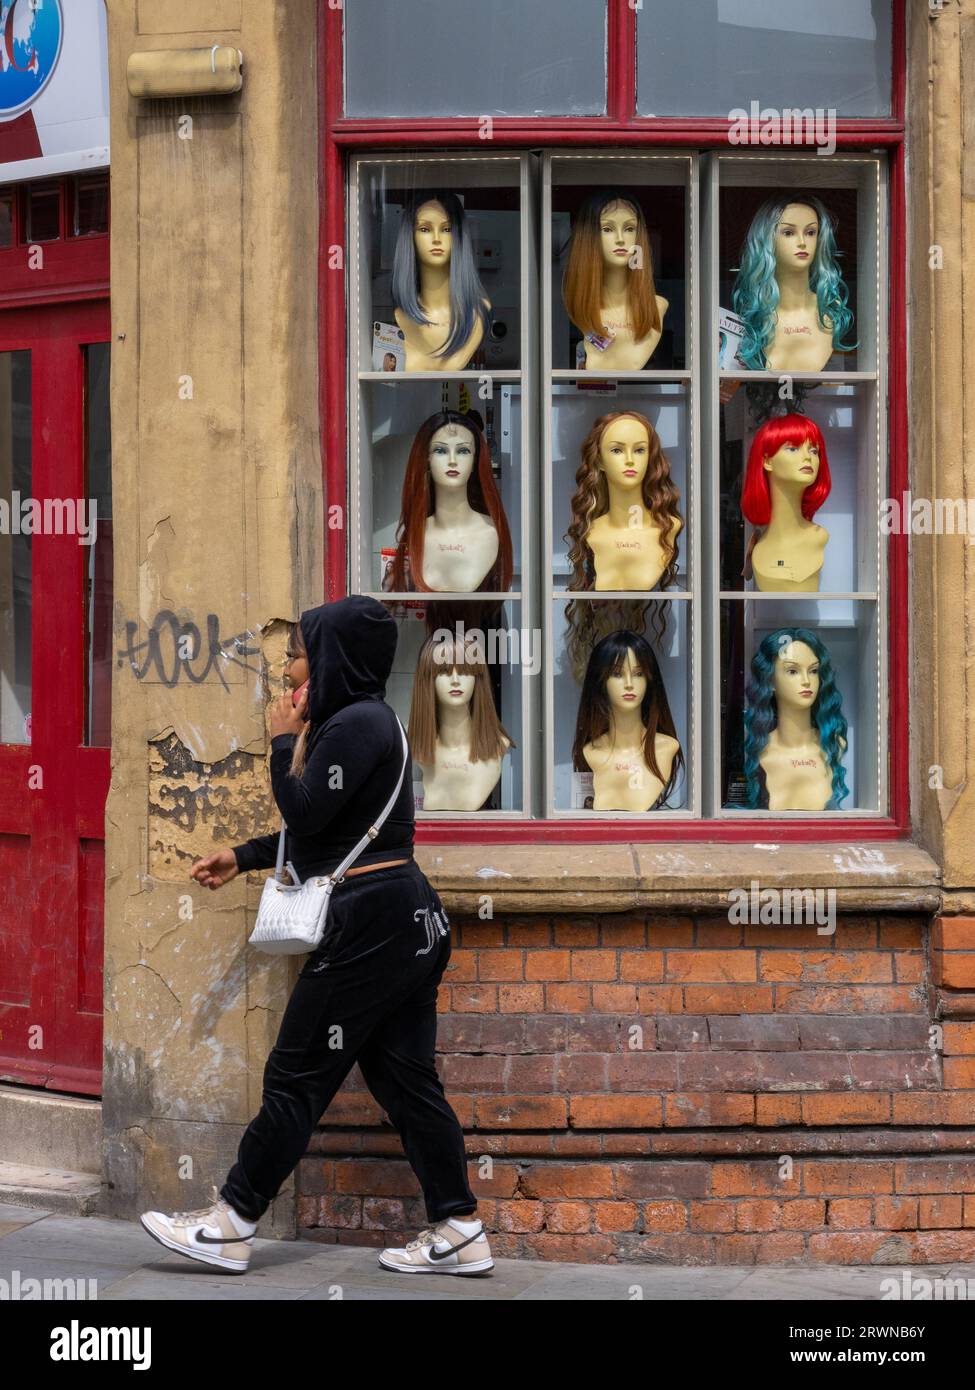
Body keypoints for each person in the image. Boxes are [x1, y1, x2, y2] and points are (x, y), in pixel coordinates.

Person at [140, 595, 492, 1276]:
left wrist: (277, 743)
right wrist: (241, 856)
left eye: (299, 651)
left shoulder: (354, 725)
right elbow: (327, 830)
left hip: (372, 925)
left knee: (296, 1074)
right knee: (407, 1084)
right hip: (405, 920)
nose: (289, 664)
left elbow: (304, 812)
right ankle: (459, 1229)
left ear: (331, 657)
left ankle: (230, 1223)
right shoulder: (365, 722)